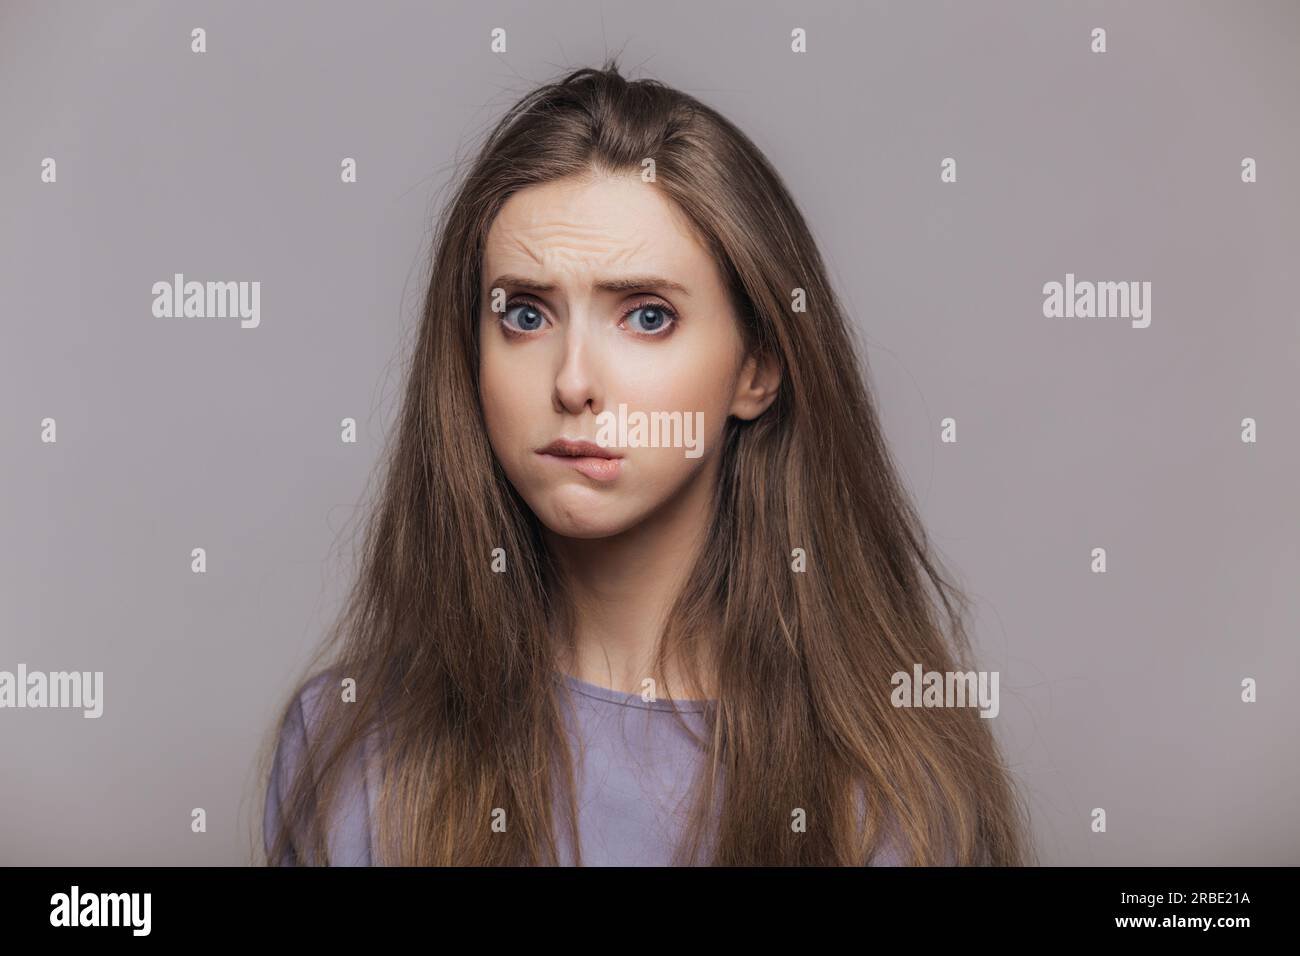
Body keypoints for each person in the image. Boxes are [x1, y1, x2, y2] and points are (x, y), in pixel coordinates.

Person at [262, 58, 1033, 866]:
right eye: (525, 314)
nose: (573, 382)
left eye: (648, 316)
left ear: (756, 370)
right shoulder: (348, 751)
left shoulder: (886, 787)